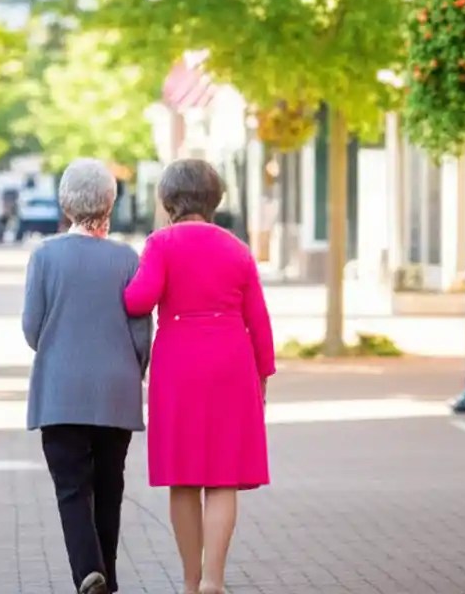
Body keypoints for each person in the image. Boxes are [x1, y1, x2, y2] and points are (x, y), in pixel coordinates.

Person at [124, 159, 275, 594]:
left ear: (169, 201)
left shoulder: (161, 244)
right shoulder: (236, 248)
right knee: (224, 476)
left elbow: (139, 300)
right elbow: (258, 320)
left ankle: (190, 581)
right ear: (215, 199)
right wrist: (263, 373)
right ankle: (215, 579)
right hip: (231, 361)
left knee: (184, 475)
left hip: (179, 365)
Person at [22, 159, 152, 594]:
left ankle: (87, 572)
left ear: (64, 202)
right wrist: (135, 367)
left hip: (60, 392)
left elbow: (31, 328)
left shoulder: (44, 257)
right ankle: (106, 577)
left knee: (72, 488)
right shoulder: (127, 259)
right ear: (110, 201)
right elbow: (140, 331)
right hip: (116, 392)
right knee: (109, 488)